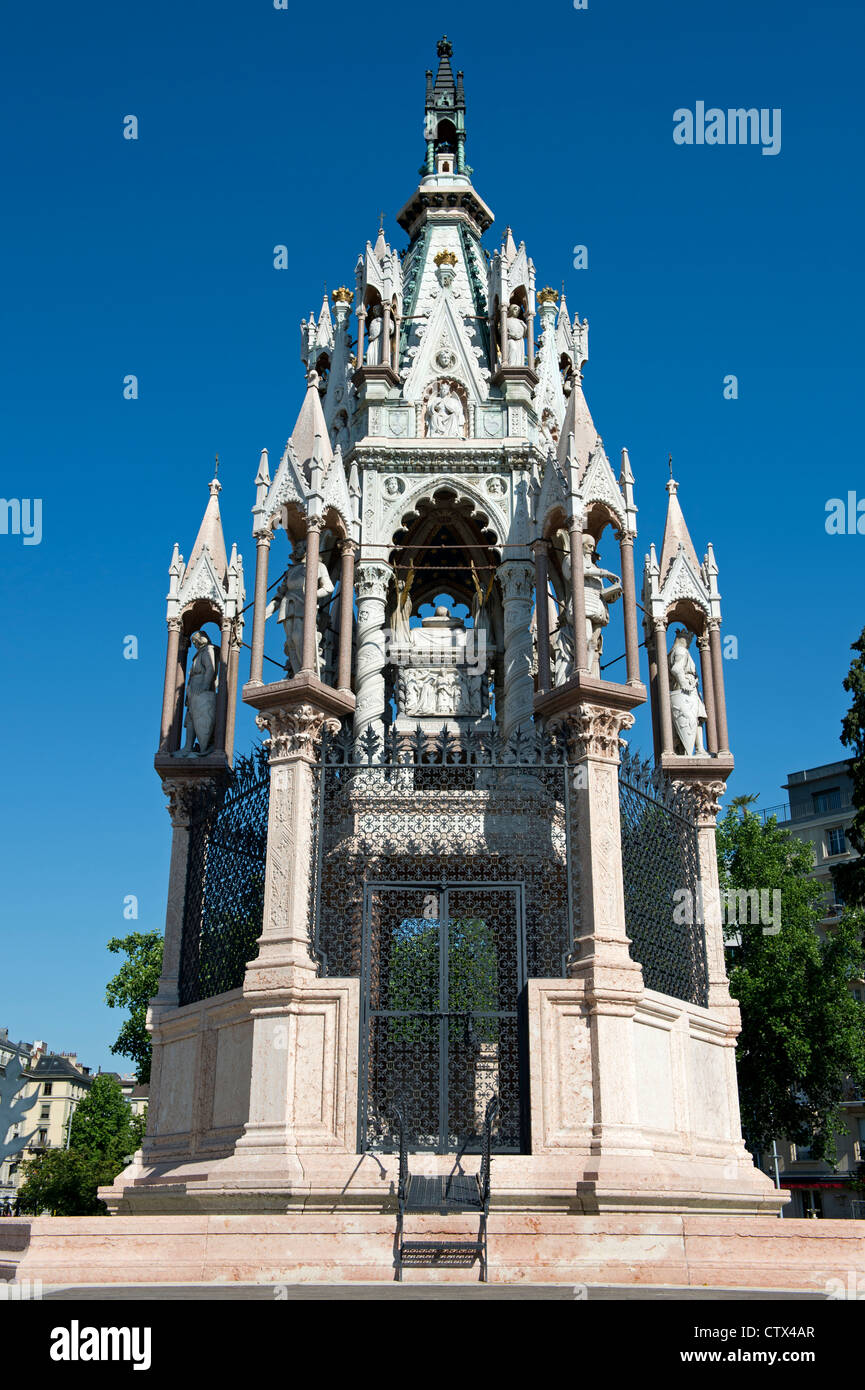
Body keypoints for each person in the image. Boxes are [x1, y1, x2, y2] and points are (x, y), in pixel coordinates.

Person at [668, 629, 707, 756]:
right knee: (694, 718)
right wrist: (685, 684)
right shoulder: (681, 651)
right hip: (686, 690)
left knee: (697, 718)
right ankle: (698, 748)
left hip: (688, 688)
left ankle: (699, 748)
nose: (689, 644)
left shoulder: (673, 652)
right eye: (688, 641)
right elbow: (676, 669)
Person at [178, 631, 217, 756]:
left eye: (196, 640)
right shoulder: (199, 653)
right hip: (194, 688)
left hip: (200, 688)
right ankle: (188, 747)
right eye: (193, 642)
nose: (194, 643)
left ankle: (204, 748)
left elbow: (211, 668)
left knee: (200, 715)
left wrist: (205, 685)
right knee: (190, 717)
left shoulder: (207, 650)